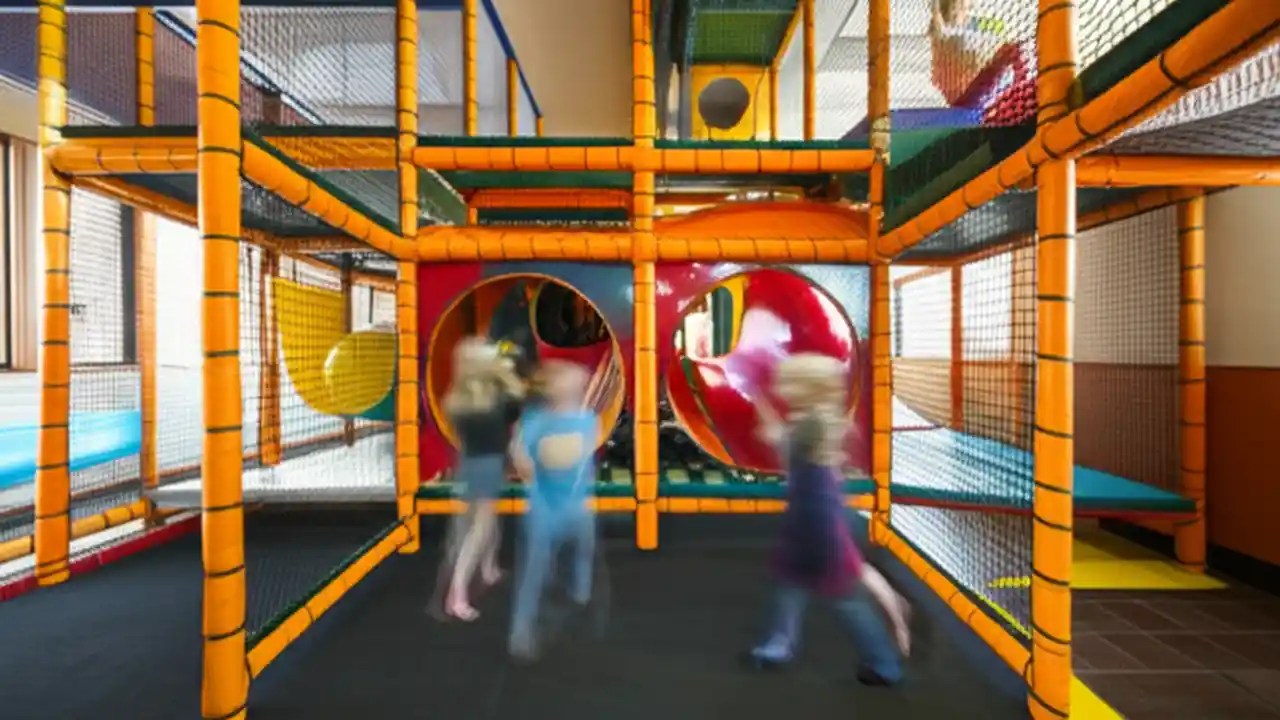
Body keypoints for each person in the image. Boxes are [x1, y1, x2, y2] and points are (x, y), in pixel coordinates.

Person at [746, 353, 912, 686]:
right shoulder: (817, 419)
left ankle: (884, 665)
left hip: (818, 526)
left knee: (845, 597)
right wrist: (758, 397)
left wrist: (755, 393)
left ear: (805, 389)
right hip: (806, 520)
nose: (782, 387)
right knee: (789, 584)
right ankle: (779, 645)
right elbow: (779, 439)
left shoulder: (813, 426)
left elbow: (776, 439)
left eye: (788, 383)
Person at [508, 360, 599, 661]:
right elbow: (520, 456)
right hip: (545, 509)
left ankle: (580, 588)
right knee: (534, 569)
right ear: (553, 392)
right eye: (566, 389)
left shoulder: (587, 419)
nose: (571, 394)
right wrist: (525, 461)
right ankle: (521, 631)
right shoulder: (536, 422)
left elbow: (587, 461)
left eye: (575, 390)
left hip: (576, 505)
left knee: (583, 546)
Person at [439, 337, 525, 622]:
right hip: (486, 467)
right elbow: (518, 399)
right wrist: (505, 369)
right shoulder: (494, 398)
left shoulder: (457, 398)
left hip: (473, 464)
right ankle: (457, 594)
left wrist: (498, 367)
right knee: (479, 529)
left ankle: (488, 568)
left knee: (485, 520)